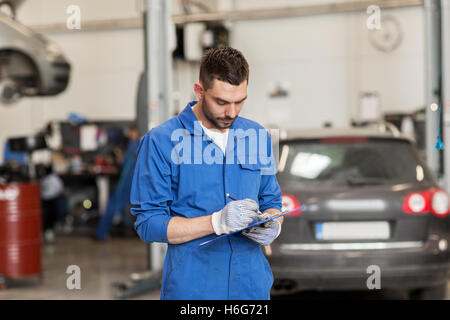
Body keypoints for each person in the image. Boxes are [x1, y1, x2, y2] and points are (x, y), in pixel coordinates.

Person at [130, 47, 283, 300]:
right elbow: (148, 223)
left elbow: (272, 201)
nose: (231, 112)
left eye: (239, 101)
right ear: (199, 91)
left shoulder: (257, 137)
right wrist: (216, 222)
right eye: (221, 102)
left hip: (251, 288)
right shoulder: (161, 142)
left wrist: (273, 223)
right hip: (194, 289)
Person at [94, 124, 140, 240]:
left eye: (131, 131)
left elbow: (126, 163)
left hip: (127, 183)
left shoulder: (134, 145)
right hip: (133, 183)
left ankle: (100, 234)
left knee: (112, 206)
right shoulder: (136, 145)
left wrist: (119, 157)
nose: (130, 134)